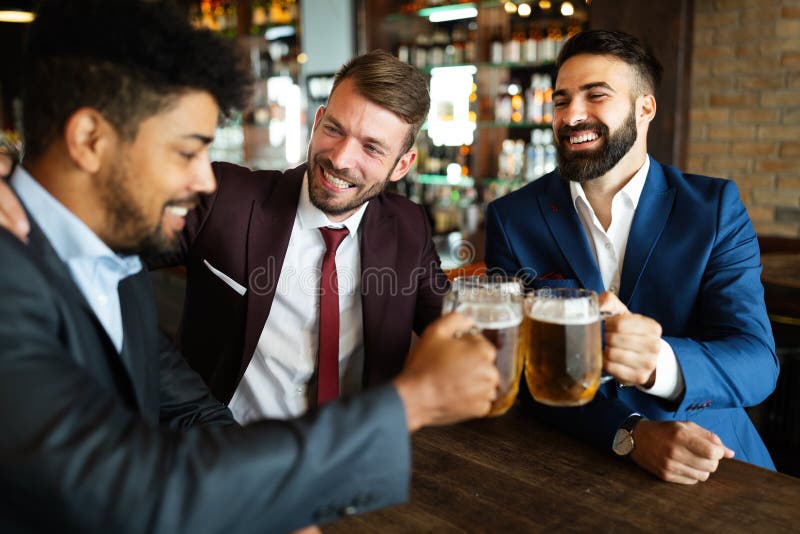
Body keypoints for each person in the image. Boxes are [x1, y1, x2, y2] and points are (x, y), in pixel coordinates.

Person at [0, 1, 500, 532]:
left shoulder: (106, 269)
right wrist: (413, 402)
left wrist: (269, 491)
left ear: (402, 164)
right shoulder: (28, 277)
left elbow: (180, 400)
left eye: (372, 147)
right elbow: (131, 490)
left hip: (312, 479)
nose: (204, 179)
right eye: (185, 151)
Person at [485, 30, 778, 484]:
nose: (571, 116)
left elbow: (757, 361)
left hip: (714, 458)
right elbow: (517, 371)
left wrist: (657, 364)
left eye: (595, 95)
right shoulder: (512, 217)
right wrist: (629, 433)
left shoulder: (713, 208)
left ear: (646, 108)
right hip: (570, 457)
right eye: (561, 101)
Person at [146, 49, 448, 421]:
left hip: (350, 456)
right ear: (318, 120)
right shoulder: (225, 196)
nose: (339, 159)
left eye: (371, 148)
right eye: (335, 129)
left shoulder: (409, 225)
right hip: (224, 452)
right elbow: (97, 261)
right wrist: (171, 395)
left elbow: (453, 331)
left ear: (402, 165)